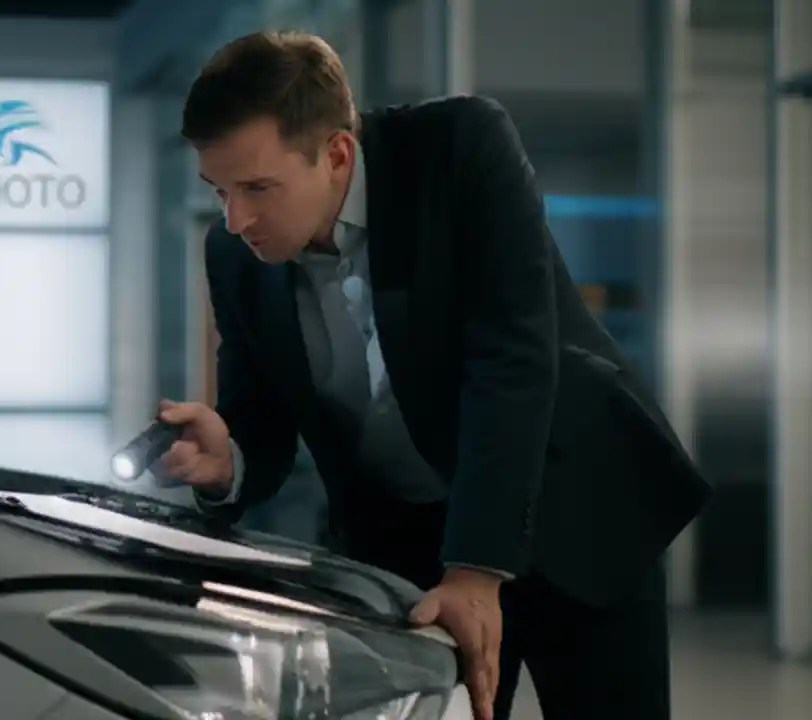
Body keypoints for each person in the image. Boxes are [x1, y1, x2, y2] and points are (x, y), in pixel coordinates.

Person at [156, 30, 711, 720]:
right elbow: (261, 421)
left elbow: (509, 356)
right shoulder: (236, 258)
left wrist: (478, 569)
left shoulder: (458, 149)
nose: (235, 219)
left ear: (336, 154)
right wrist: (226, 459)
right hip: (411, 555)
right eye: (218, 190)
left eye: (257, 188)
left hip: (569, 507)